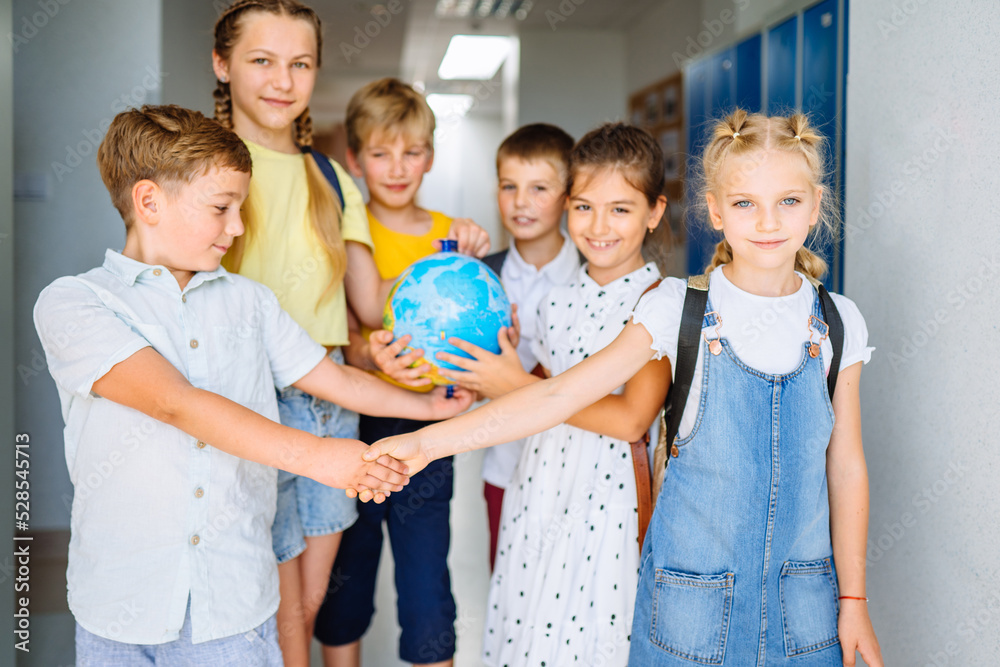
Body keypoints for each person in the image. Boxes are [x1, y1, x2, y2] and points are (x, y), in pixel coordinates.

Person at [362, 110, 885, 666]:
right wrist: (425, 444)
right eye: (744, 203)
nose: (767, 221)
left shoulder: (839, 321)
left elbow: (846, 465)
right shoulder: (674, 307)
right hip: (690, 608)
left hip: (806, 609)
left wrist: (853, 601)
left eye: (788, 201)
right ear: (713, 209)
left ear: (816, 202)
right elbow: (555, 396)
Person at [33, 105, 473, 665]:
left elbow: (332, 378)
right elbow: (176, 404)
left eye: (240, 208)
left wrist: (427, 403)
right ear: (148, 202)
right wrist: (323, 458)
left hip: (235, 608)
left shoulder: (252, 302)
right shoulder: (75, 302)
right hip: (121, 609)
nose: (237, 227)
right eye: (222, 208)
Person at [209, 3, 487, 664]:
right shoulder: (207, 168)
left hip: (329, 402)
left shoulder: (331, 179)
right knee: (255, 594)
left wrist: (450, 257)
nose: (283, 79)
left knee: (310, 600)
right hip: (241, 395)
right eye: (262, 60)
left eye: (300, 63)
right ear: (221, 65)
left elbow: (372, 302)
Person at [432, 122, 672, 665]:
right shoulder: (555, 303)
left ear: (655, 212)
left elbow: (631, 419)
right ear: (567, 206)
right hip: (536, 490)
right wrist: (504, 365)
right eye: (584, 207)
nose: (599, 225)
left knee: (587, 643)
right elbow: (531, 395)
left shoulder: (661, 300)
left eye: (621, 209)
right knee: (529, 631)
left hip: (607, 503)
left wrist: (512, 381)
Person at [313, 76, 485, 667]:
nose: (396, 167)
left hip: (431, 429)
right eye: (380, 153)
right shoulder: (342, 230)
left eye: (412, 152)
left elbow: (476, 318)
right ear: (355, 159)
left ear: (430, 157)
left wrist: (470, 255)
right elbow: (345, 326)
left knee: (426, 581)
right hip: (354, 421)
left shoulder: (453, 235)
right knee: (348, 573)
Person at [439, 122, 579, 570]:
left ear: (568, 194)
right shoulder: (477, 277)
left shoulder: (594, 275)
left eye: (539, 187)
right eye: (508, 186)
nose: (521, 201)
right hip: (505, 466)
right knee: (509, 585)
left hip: (577, 471)